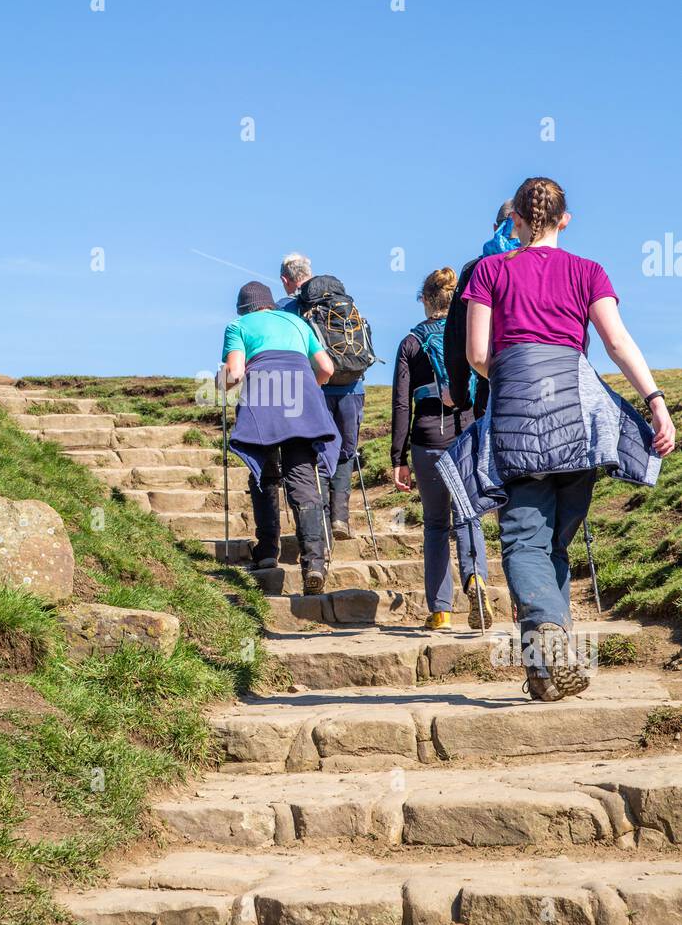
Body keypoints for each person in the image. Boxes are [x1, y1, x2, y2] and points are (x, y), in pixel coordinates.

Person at [452, 176, 675, 702]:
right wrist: (656, 401)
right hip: (577, 414)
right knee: (554, 544)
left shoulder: (489, 271)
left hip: (516, 409)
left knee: (525, 537)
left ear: (518, 221)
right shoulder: (587, 271)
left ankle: (548, 641)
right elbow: (617, 342)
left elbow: (477, 355)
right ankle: (548, 670)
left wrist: (516, 378)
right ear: (564, 220)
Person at [220, 281, 339, 594]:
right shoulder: (297, 322)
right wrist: (309, 387)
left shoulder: (238, 325)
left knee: (265, 474)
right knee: (302, 480)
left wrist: (221, 384)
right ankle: (314, 562)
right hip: (302, 397)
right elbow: (326, 368)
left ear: (243, 308)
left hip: (264, 397)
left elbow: (234, 374)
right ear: (269, 304)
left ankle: (267, 552)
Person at [390, 267, 491, 632]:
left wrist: (397, 458)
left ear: (425, 299)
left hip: (427, 440)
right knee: (468, 514)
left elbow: (401, 405)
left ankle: (441, 610)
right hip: (466, 436)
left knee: (435, 524)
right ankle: (476, 579)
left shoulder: (410, 343)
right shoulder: (468, 335)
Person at [278, 253, 366, 540]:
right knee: (346, 451)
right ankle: (341, 517)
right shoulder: (344, 301)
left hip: (316, 387)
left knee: (317, 452)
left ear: (285, 280)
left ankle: (324, 522)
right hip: (353, 387)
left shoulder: (288, 308)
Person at [444, 199, 520, 418]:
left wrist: (459, 395)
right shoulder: (549, 265)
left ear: (495, 228)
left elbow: (457, 339)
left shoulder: (476, 269)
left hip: (492, 383)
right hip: (545, 385)